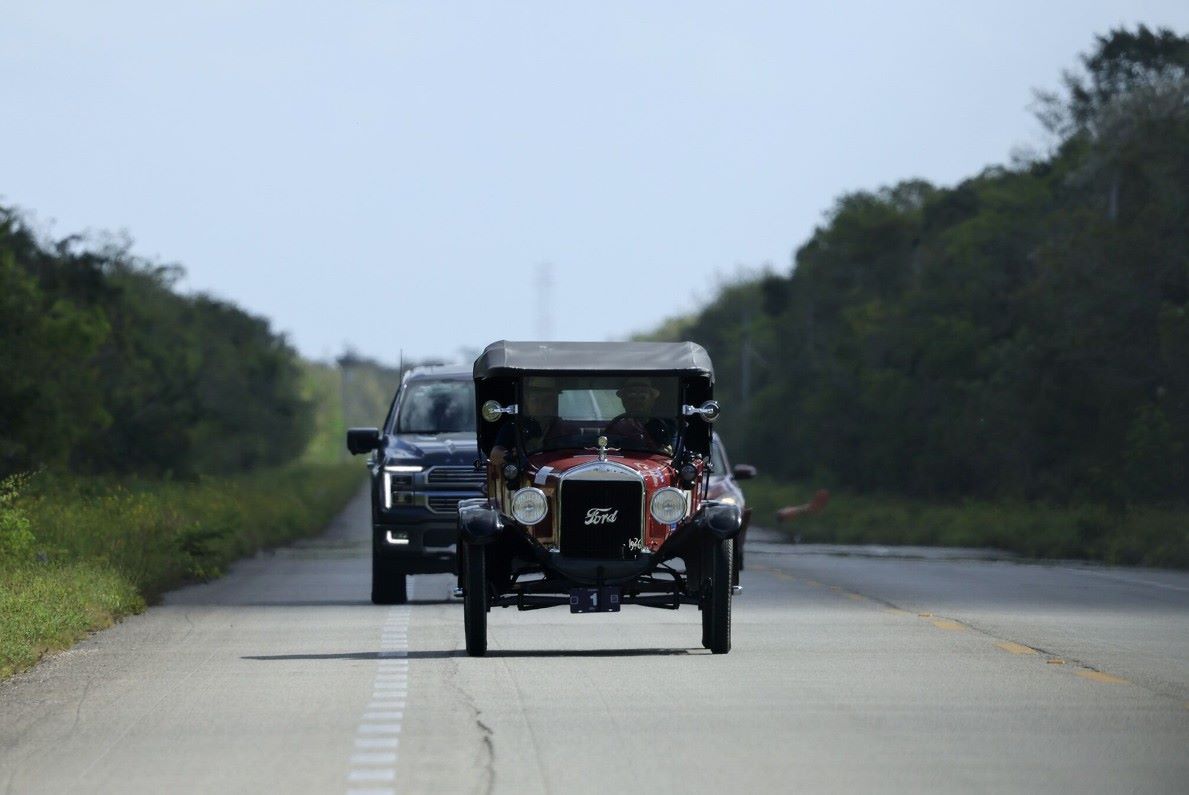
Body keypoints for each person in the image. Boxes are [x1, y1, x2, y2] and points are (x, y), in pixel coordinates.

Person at [490, 378, 558, 468]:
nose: (541, 405)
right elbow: (495, 455)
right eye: (536, 399)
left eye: (546, 400)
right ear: (527, 400)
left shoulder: (565, 428)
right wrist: (516, 453)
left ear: (554, 401)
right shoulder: (514, 426)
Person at [613, 377, 673, 453]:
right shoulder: (616, 426)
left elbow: (675, 451)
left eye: (642, 397)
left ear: (652, 400)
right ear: (624, 401)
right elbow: (605, 448)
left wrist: (666, 452)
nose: (637, 401)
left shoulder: (668, 426)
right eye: (632, 397)